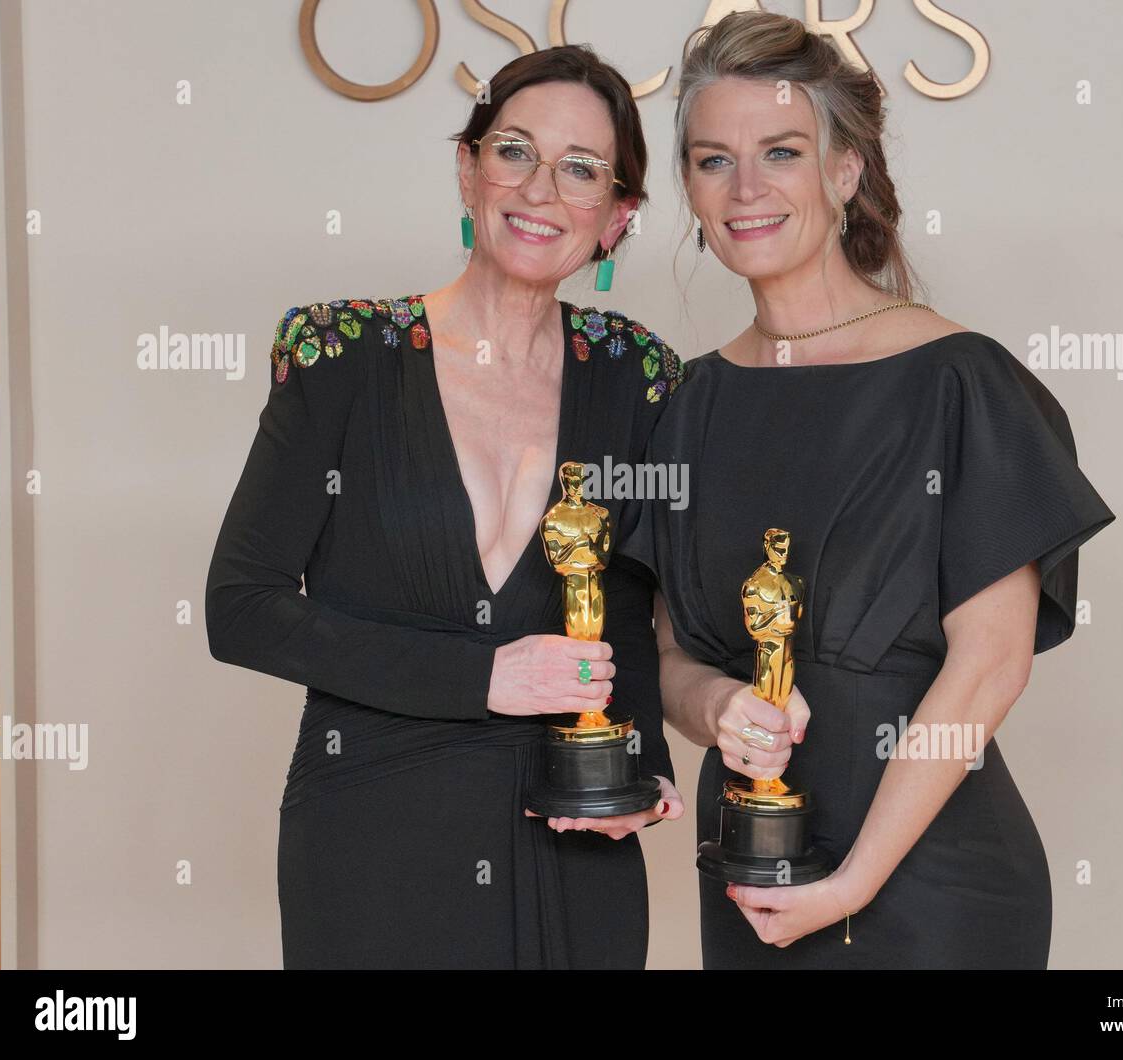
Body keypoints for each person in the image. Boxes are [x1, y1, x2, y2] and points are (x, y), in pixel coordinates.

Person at [621, 11, 1116, 968]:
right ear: (687, 185)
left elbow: (989, 665)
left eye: (782, 151)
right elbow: (673, 658)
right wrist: (718, 705)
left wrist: (851, 882)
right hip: (752, 877)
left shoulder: (959, 380)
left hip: (932, 889)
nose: (747, 188)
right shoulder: (687, 405)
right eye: (713, 160)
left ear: (844, 171)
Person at [205, 45, 686, 970]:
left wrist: (641, 764)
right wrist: (482, 678)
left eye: (582, 170)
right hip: (373, 832)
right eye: (515, 151)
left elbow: (625, 604)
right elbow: (243, 608)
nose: (541, 189)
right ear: (467, 168)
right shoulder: (336, 353)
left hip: (571, 839)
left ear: (618, 218)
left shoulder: (641, 377)